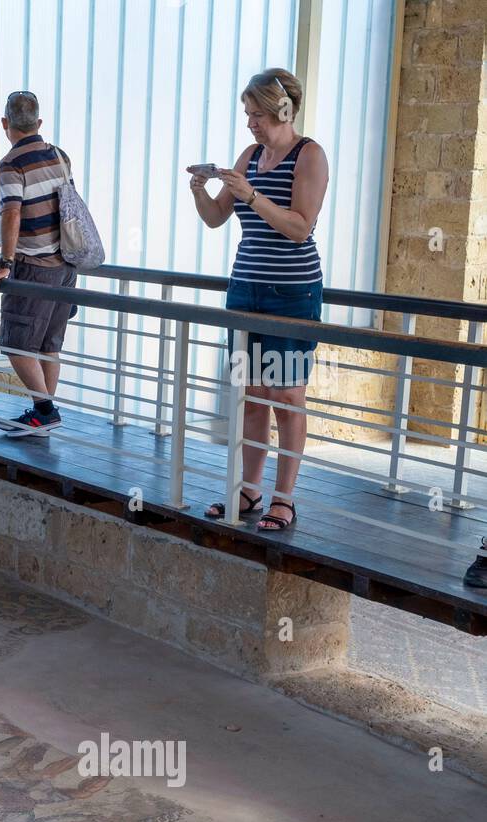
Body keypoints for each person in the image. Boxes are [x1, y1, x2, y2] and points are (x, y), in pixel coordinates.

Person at [191, 68, 329, 531]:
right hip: (245, 289)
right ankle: (249, 491)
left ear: (284, 111)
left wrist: (251, 195)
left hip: (291, 292)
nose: (251, 123)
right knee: (251, 393)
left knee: (286, 396)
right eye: (248, 114)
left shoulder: (310, 156)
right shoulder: (250, 155)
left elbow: (298, 226)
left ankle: (284, 498)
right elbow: (215, 219)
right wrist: (201, 190)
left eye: (259, 115)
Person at [0, 91, 79, 438]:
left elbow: (12, 211)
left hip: (34, 266)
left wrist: (4, 263)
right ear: (38, 123)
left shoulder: (11, 164)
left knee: (17, 343)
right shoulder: (59, 155)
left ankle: (44, 411)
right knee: (49, 345)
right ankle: (44, 416)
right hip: (66, 266)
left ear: (5, 124)